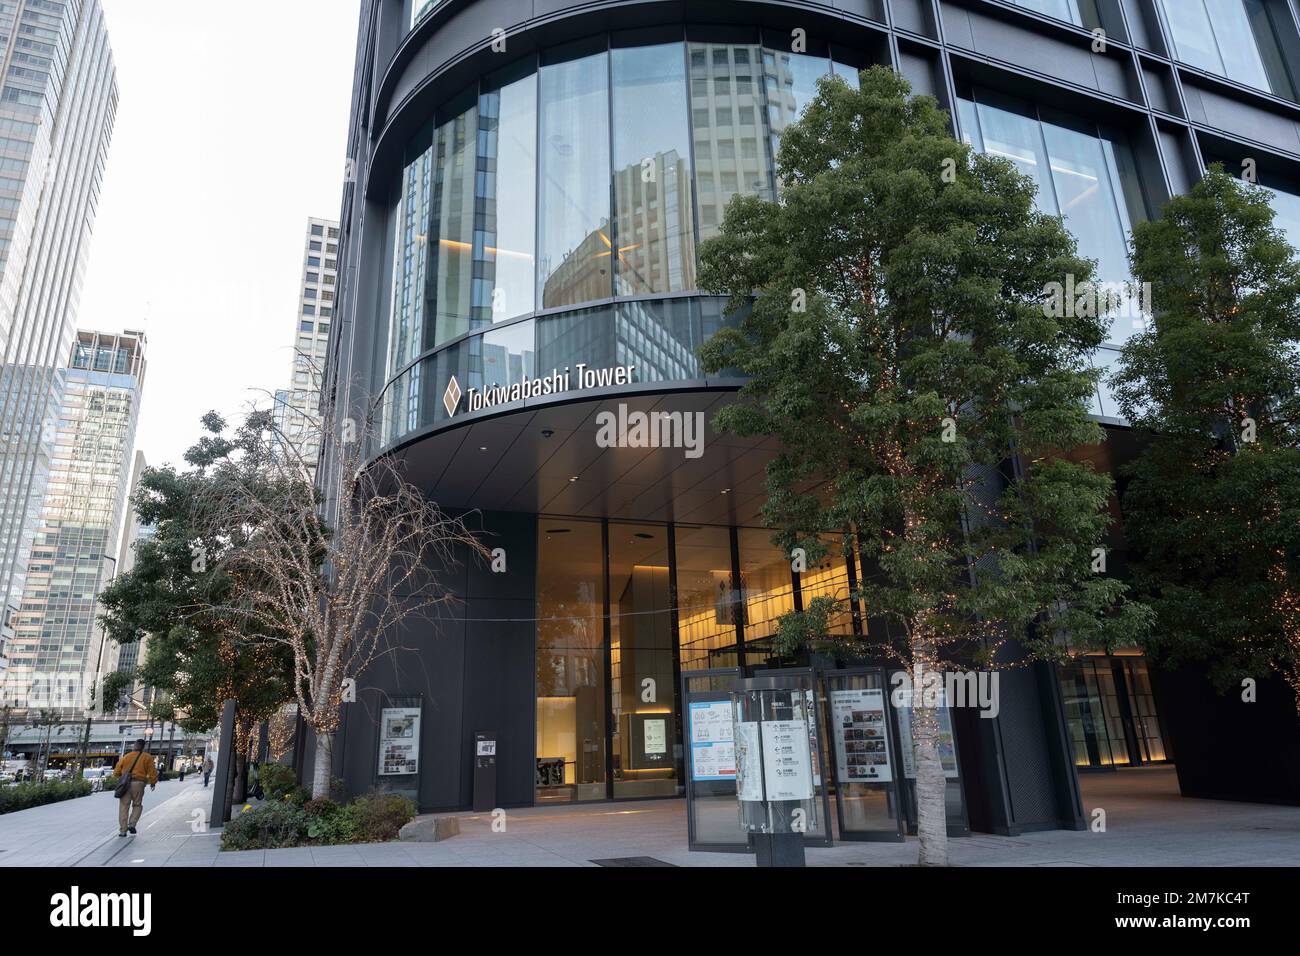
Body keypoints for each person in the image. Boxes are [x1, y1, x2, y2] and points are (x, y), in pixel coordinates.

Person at [112, 739, 157, 837]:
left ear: (135, 746)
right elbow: (152, 771)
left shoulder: (126, 757)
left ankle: (123, 831)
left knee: (124, 806)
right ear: (143, 747)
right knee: (137, 805)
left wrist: (122, 776)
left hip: (126, 784)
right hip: (139, 783)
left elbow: (116, 772)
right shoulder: (147, 757)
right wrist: (153, 782)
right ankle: (132, 823)